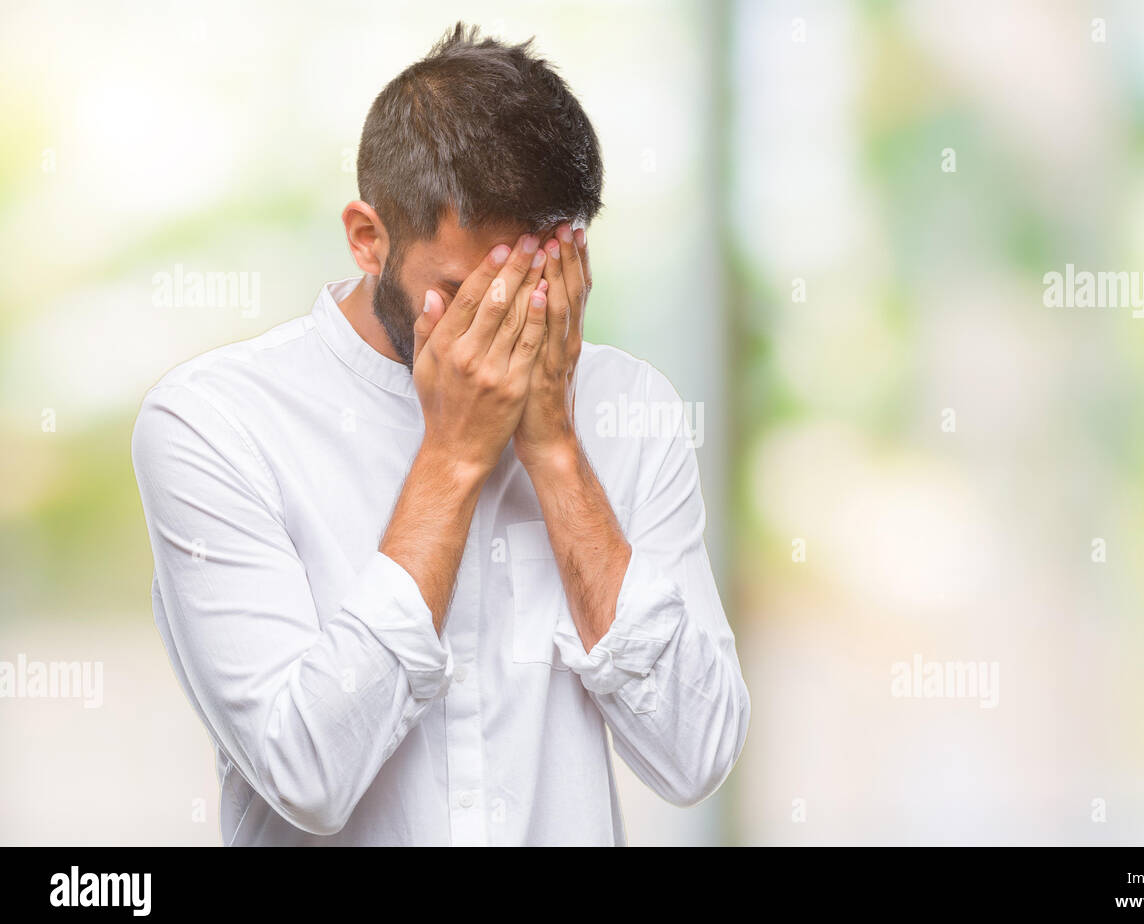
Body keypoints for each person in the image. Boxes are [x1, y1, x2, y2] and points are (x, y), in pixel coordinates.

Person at [132, 22, 749, 846]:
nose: (505, 328)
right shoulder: (214, 425)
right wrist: (454, 457)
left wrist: (557, 451)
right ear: (367, 237)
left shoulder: (632, 410)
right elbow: (306, 774)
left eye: (533, 287)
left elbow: (696, 754)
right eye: (465, 291)